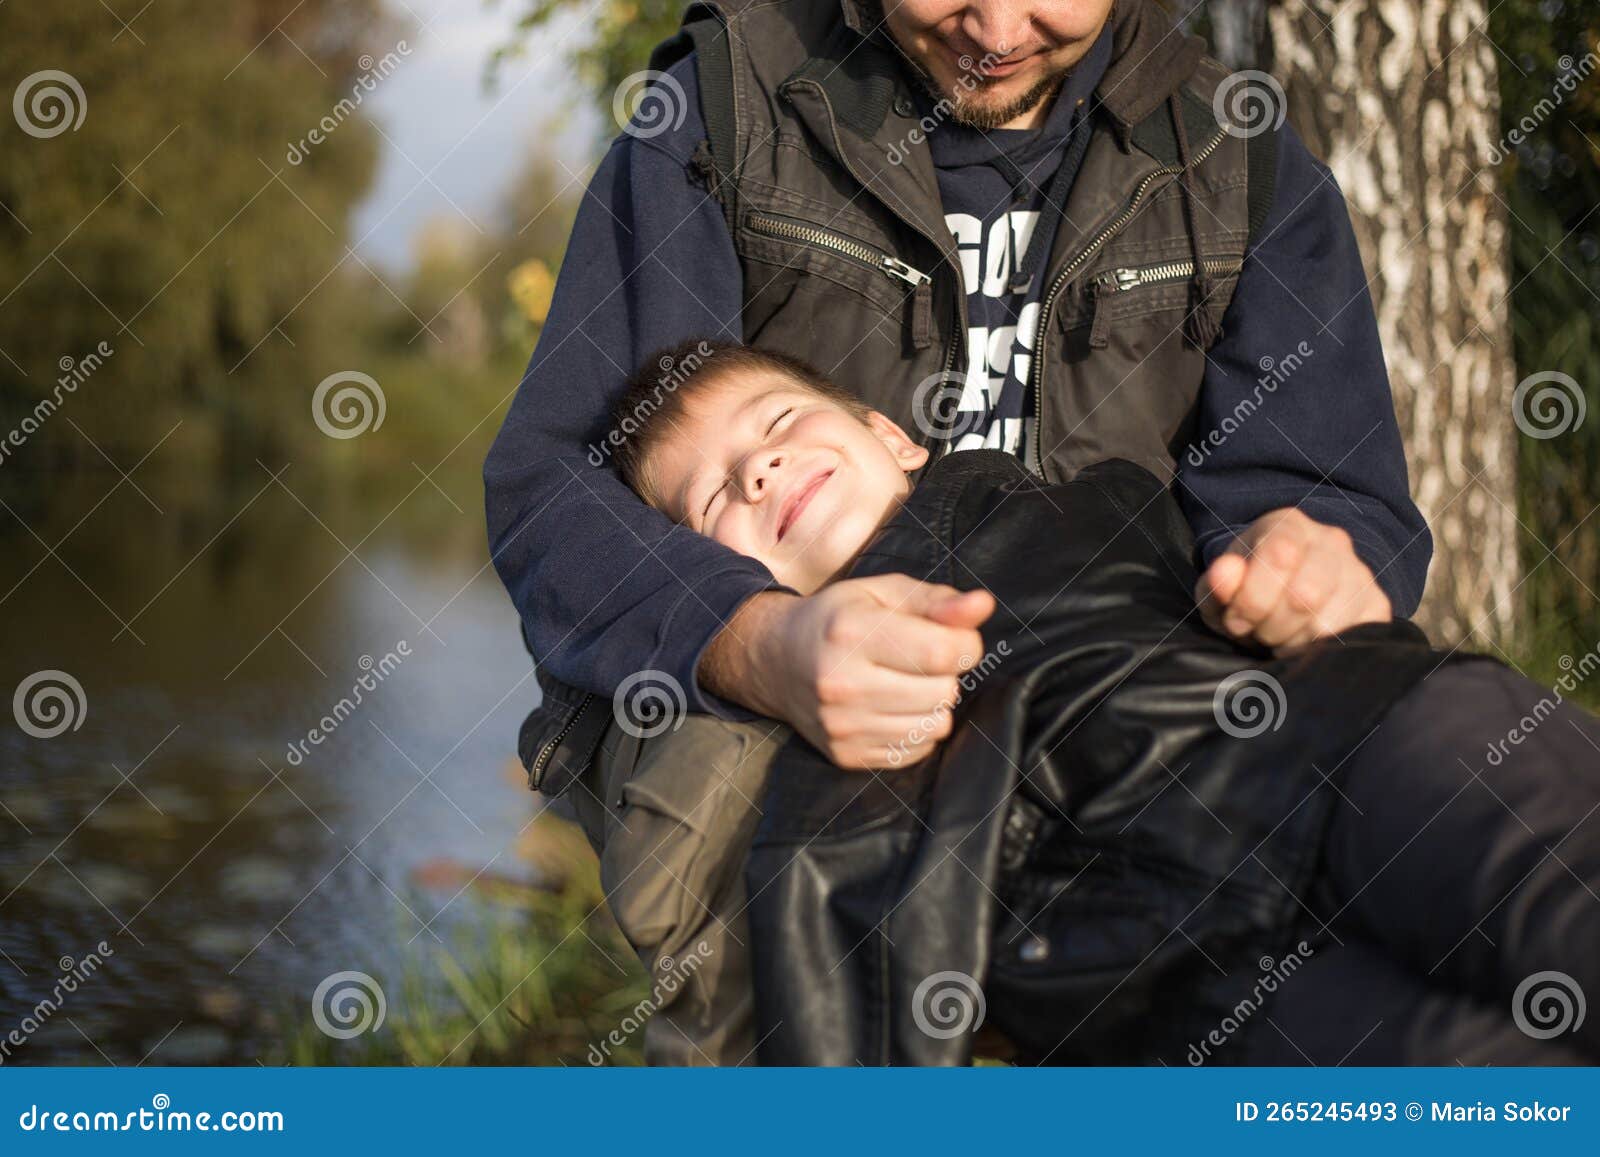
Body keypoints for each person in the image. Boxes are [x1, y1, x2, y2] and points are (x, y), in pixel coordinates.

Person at [598, 338, 1600, 1066]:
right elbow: (800, 974)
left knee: (1556, 900)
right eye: (716, 497)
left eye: (775, 422)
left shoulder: (1095, 501)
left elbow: (1264, 564)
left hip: (1342, 746)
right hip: (1179, 974)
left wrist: (1278, 567)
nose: (759, 465)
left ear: (891, 436)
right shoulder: (791, 723)